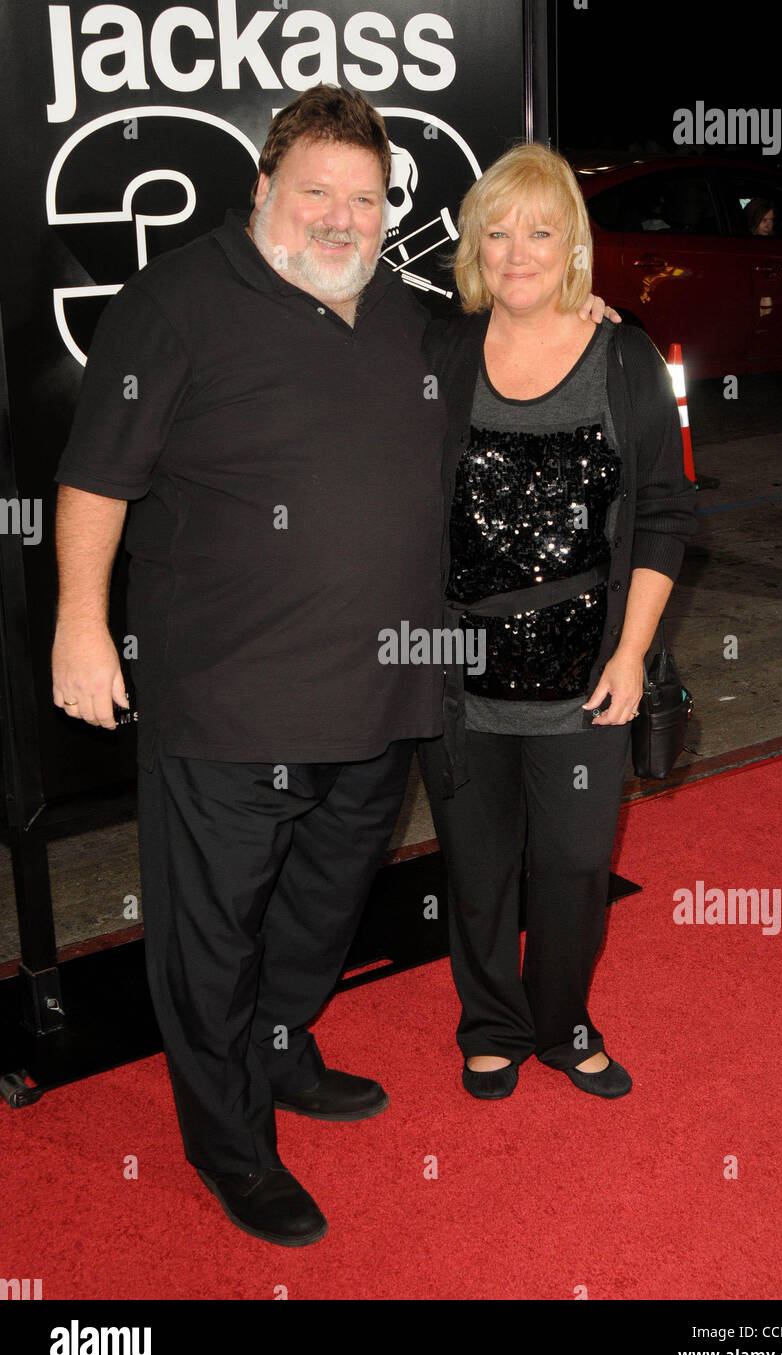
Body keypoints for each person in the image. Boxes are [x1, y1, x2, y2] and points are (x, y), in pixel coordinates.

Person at [50, 88, 613, 1248]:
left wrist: (574, 305)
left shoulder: (408, 317)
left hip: (383, 691)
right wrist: (79, 623)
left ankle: (282, 1046)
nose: (341, 217)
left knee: (316, 907)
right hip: (227, 697)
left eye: (364, 198)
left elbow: (516, 339)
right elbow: (95, 475)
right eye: (316, 191)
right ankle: (227, 1140)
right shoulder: (176, 302)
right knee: (214, 930)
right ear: (263, 191)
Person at [417, 143, 698, 1101]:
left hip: (587, 676)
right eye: (497, 231)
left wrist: (632, 652)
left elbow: (665, 511)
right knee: (479, 867)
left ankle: (563, 1021)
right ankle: (490, 1023)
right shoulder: (438, 350)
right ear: (473, 245)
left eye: (540, 230)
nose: (518, 251)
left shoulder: (624, 355)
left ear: (571, 241)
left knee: (576, 866)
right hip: (458, 673)